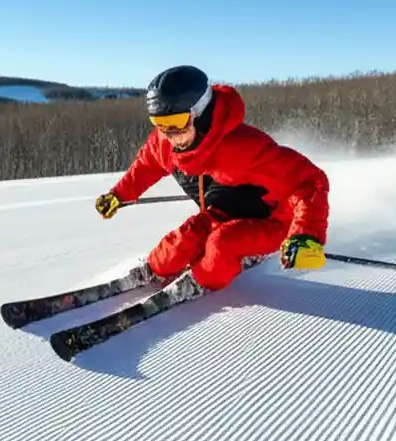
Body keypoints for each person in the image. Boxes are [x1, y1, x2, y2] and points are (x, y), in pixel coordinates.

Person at [94, 65, 330, 291]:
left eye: (176, 122)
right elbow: (147, 165)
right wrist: (118, 195)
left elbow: (310, 182)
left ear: (202, 113)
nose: (171, 134)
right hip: (227, 208)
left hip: (274, 221)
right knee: (189, 234)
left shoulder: (244, 147)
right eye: (160, 124)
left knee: (222, 243)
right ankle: (155, 270)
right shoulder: (168, 141)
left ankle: (202, 281)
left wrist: (305, 235)